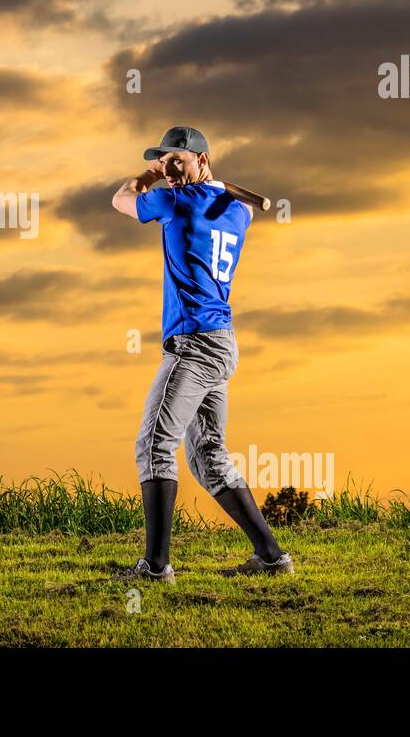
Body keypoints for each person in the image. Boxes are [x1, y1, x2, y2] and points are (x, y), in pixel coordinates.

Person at [109, 126, 293, 581]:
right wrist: (197, 178)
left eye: (178, 160)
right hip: (222, 341)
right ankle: (272, 558)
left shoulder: (174, 201)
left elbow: (120, 198)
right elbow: (236, 203)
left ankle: (155, 567)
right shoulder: (238, 212)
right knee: (208, 456)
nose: (169, 168)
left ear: (203, 160)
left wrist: (146, 174)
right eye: (164, 161)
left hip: (192, 344)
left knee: (154, 446)